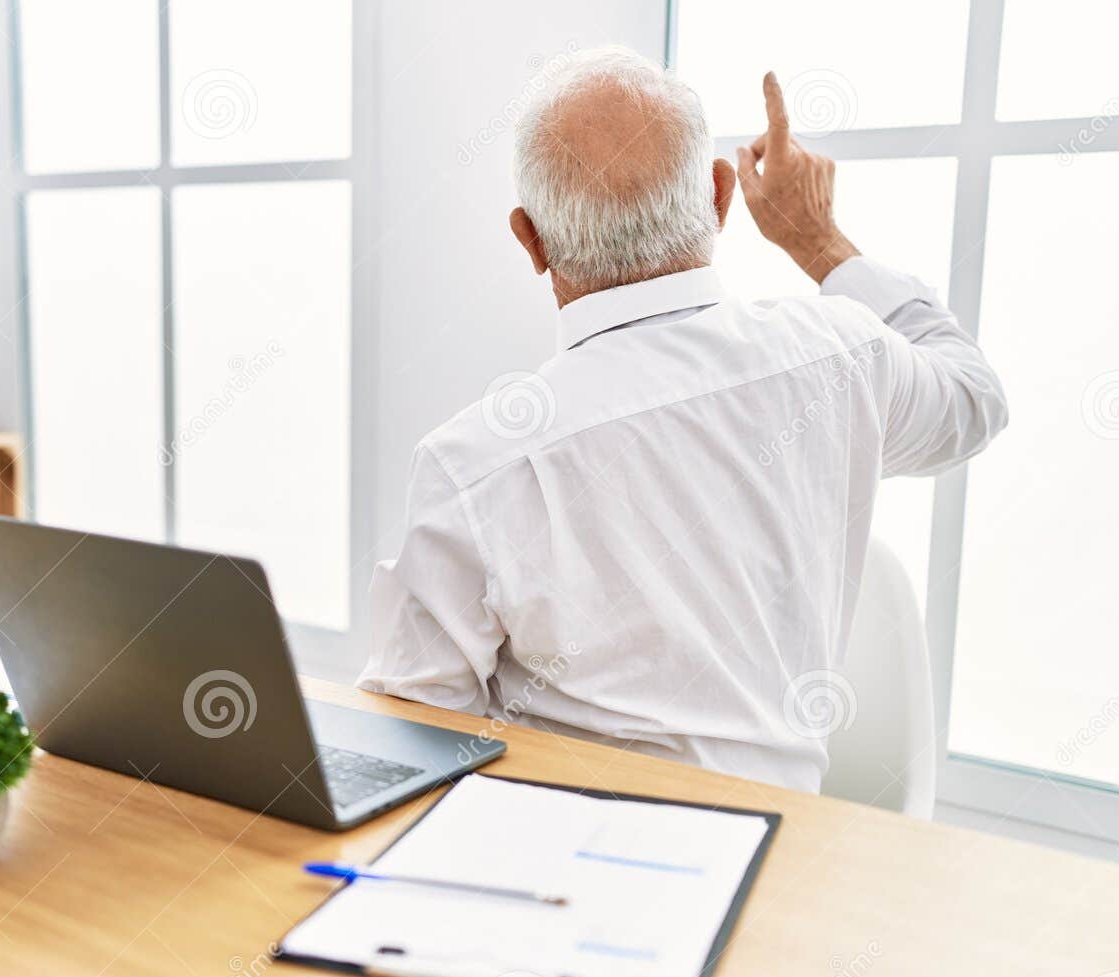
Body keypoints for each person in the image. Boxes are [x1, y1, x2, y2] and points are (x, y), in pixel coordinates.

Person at [357, 47, 1007, 793]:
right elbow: (975, 400)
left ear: (530, 239)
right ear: (721, 197)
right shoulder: (843, 353)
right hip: (786, 854)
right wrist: (815, 238)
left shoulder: (474, 461)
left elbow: (413, 748)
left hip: (562, 874)